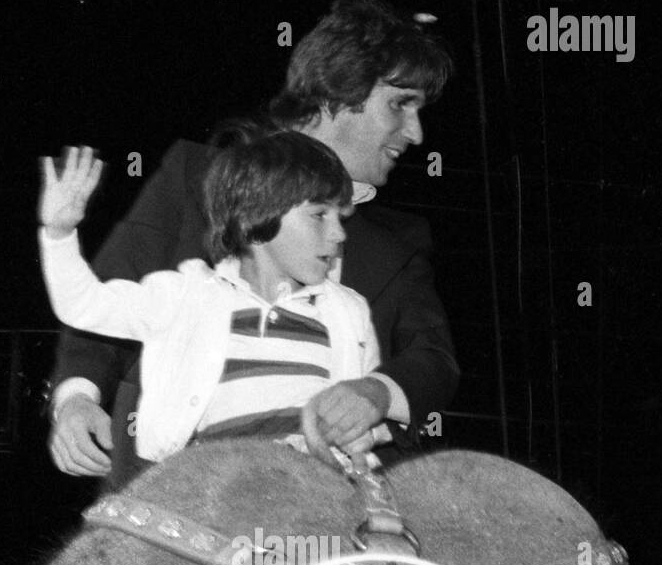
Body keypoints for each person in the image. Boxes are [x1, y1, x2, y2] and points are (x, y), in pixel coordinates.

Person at [48, 0, 460, 488]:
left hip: (332, 513)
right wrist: (76, 399)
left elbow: (433, 360)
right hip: (171, 500)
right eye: (400, 104)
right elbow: (111, 292)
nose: (415, 133)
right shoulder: (194, 176)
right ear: (336, 93)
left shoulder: (400, 242)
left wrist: (375, 391)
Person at [38, 132, 400, 464]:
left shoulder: (347, 312)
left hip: (314, 490)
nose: (339, 233)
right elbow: (84, 306)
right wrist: (59, 233)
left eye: (342, 216)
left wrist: (361, 433)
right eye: (320, 215)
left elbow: (363, 410)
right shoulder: (187, 296)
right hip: (216, 488)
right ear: (257, 218)